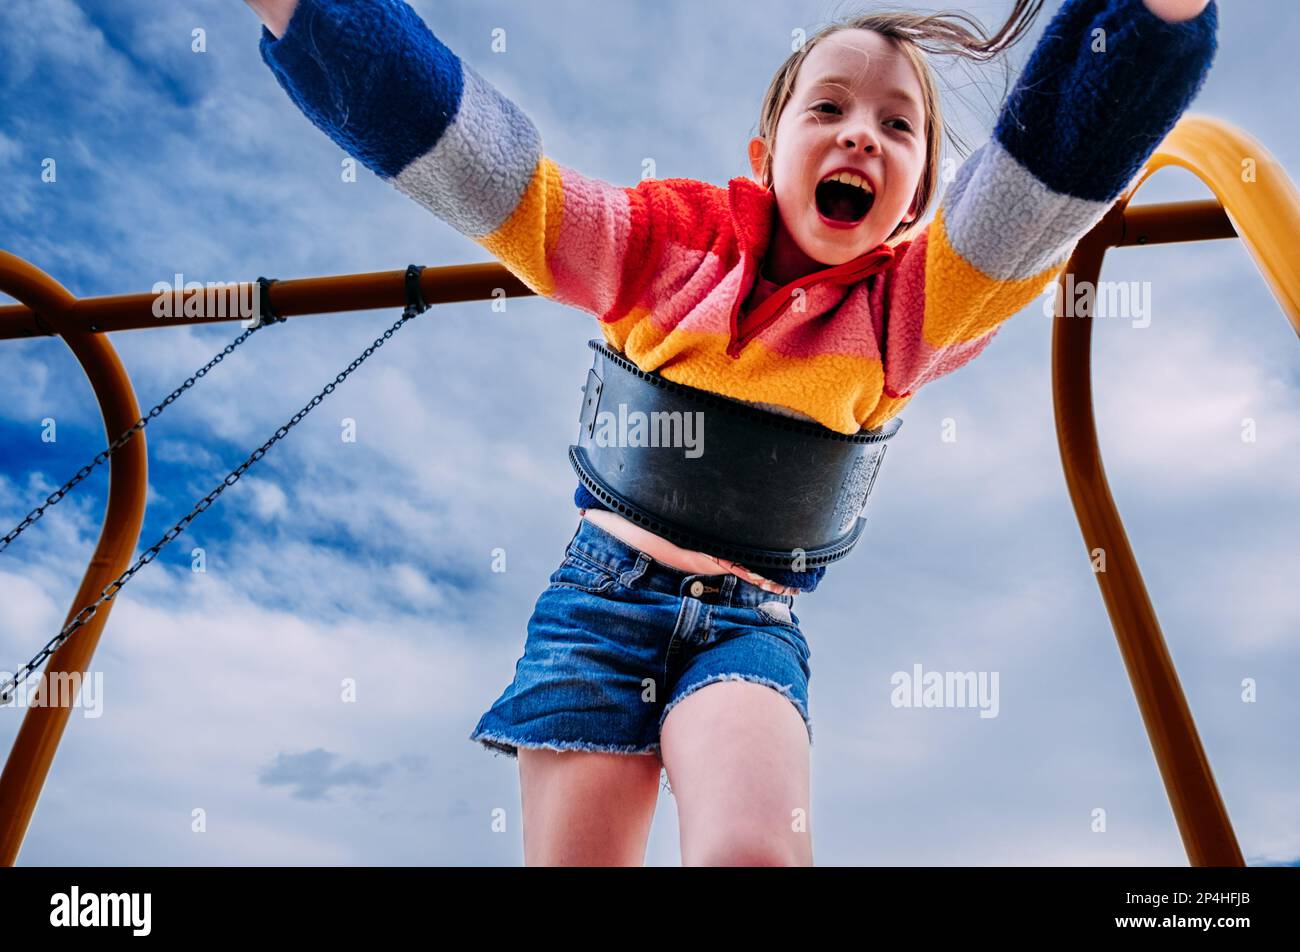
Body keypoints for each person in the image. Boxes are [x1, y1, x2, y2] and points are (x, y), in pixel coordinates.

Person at [246, 0, 1218, 865]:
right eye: (827, 108)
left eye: (896, 125)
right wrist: (315, 15)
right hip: (598, 606)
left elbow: (1035, 191)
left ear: (919, 198)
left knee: (753, 850)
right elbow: (497, 178)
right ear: (765, 152)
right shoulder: (662, 243)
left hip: (750, 625)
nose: (860, 138)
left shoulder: (908, 309)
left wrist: (1149, 23)